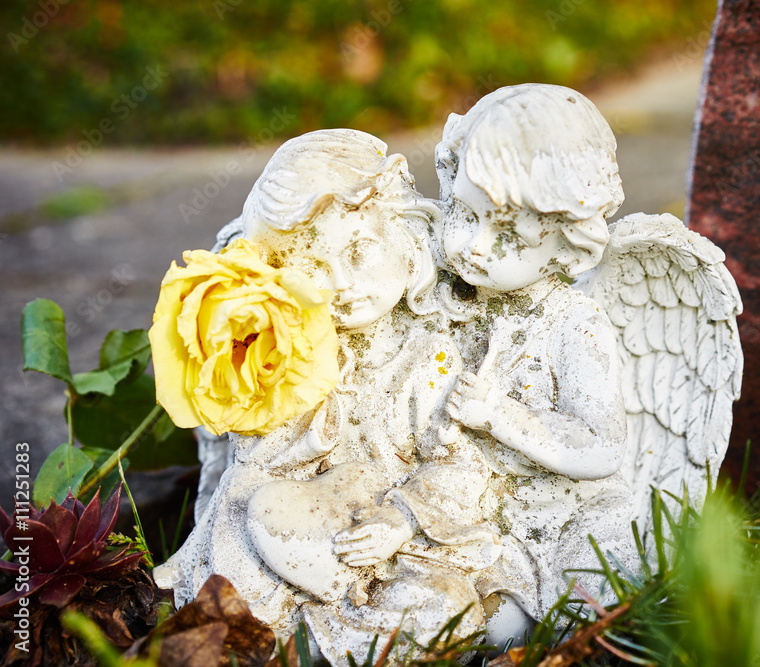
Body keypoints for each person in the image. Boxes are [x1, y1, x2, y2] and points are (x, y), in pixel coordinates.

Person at [156, 130, 497, 661]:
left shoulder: (432, 356)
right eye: (313, 267)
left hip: (405, 539)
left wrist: (402, 518)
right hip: (309, 527)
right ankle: (313, 628)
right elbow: (263, 462)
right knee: (257, 513)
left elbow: (462, 462)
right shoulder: (296, 356)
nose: (342, 283)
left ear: (407, 238)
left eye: (360, 251)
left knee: (444, 606)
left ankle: (331, 635)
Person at [431, 84, 638, 634]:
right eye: (464, 213)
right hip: (466, 507)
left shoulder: (575, 324)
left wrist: (503, 416)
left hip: (563, 518)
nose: (473, 246)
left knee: (502, 627)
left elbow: (602, 445)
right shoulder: (452, 294)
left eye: (506, 234)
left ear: (567, 245)